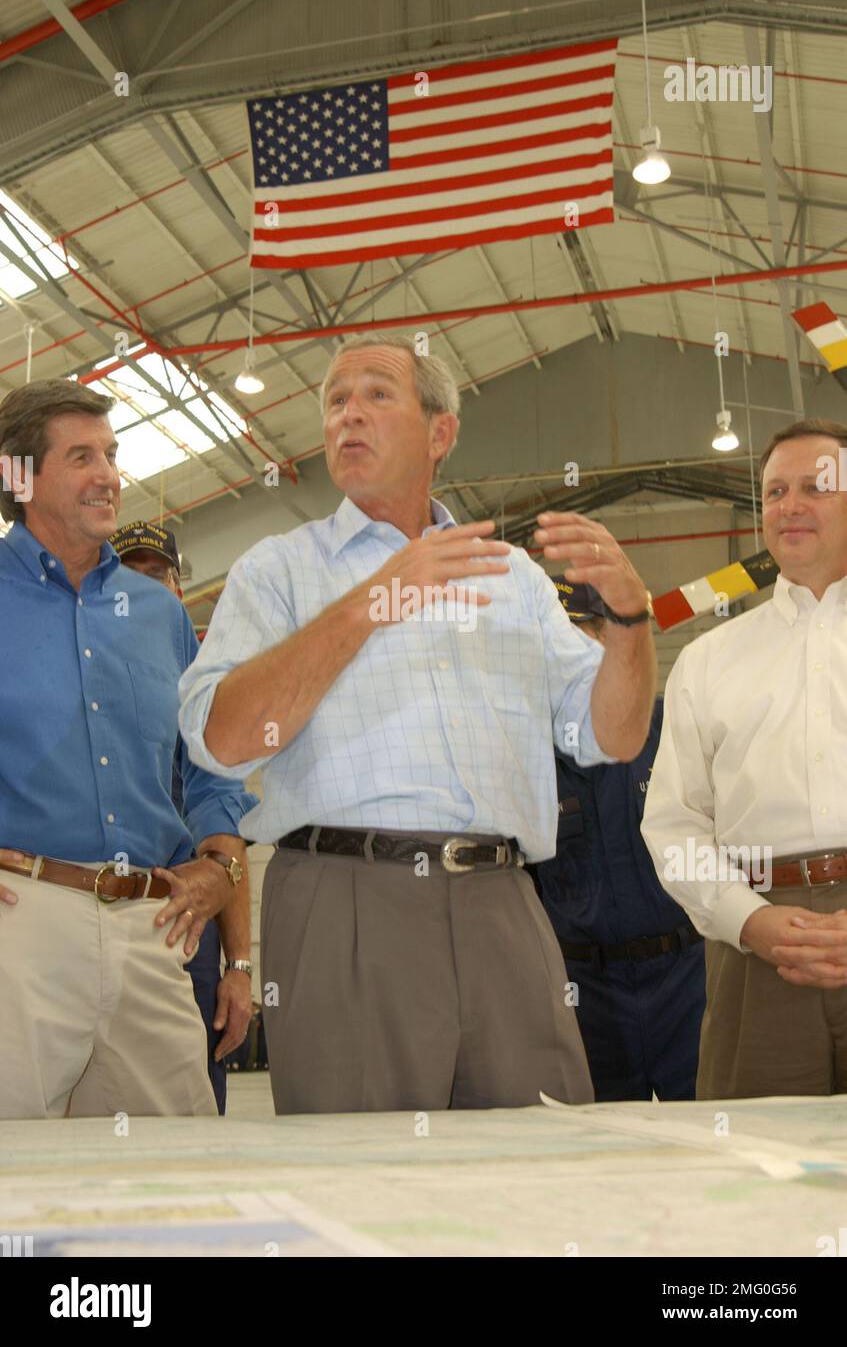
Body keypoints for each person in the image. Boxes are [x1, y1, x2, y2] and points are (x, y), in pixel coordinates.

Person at [179, 332, 656, 1115]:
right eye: (334, 401)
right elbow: (223, 740)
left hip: (504, 903)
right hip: (346, 899)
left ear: (440, 433)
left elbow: (611, 737)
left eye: (374, 394)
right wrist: (373, 601)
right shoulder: (279, 569)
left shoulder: (514, 578)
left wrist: (631, 625)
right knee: (360, 1178)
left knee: (543, 1159)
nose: (346, 416)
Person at [0, 380, 254, 1119]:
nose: (109, 475)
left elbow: (210, 768)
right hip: (23, 924)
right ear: (19, 478)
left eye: (111, 454)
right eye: (81, 456)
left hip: (153, 927)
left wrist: (220, 865)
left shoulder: (160, 614)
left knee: (180, 1176)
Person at [642, 418, 847, 1098]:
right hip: (756, 942)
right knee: (760, 1172)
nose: (789, 505)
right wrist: (746, 918)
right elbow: (673, 826)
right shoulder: (705, 661)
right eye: (774, 492)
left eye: (816, 487)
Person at [532, 579, 705, 1101]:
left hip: (687, 980)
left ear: (616, 640)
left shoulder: (672, 728)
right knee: (602, 1150)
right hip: (584, 992)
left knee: (717, 1134)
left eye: (583, 635)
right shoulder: (527, 754)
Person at [112, 519, 254, 1115]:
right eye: (129, 575)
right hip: (94, 910)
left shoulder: (206, 687)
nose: (145, 588)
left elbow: (228, 840)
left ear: (178, 588)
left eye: (157, 574)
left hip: (185, 927)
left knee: (190, 1099)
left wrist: (240, 965)